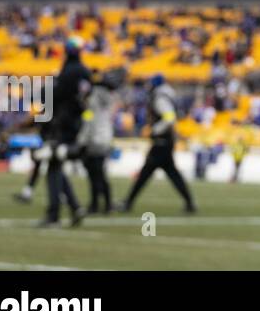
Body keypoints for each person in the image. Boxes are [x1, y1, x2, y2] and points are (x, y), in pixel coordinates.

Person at [119, 75, 197, 213]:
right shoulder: (164, 95)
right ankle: (190, 203)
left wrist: (155, 130)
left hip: (161, 142)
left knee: (146, 174)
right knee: (171, 173)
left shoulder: (160, 98)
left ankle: (128, 202)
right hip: (165, 142)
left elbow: (169, 118)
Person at [39, 36, 90, 228]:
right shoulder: (84, 72)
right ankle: (75, 207)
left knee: (53, 167)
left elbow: (56, 96)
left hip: (62, 125)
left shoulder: (67, 72)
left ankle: (54, 215)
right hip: (76, 124)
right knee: (57, 166)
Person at [75, 69, 117, 214]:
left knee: (95, 174)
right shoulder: (106, 97)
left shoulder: (94, 100)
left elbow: (88, 122)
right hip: (104, 137)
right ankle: (105, 203)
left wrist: (81, 141)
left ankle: (98, 204)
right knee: (99, 174)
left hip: (94, 139)